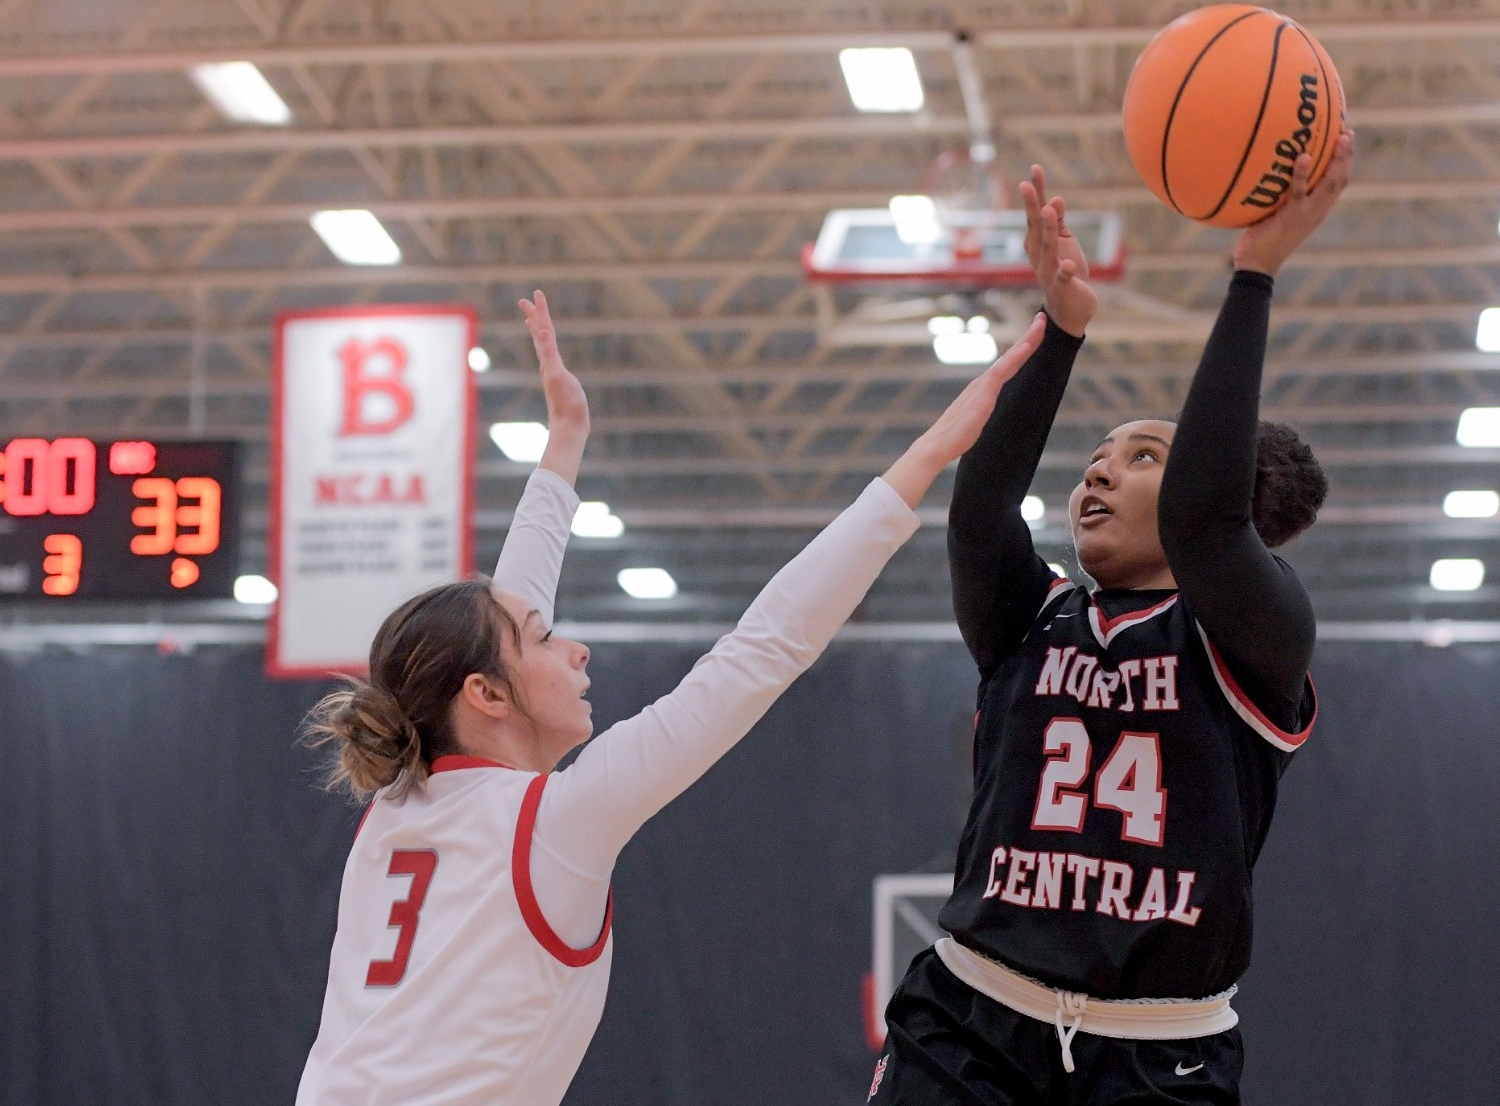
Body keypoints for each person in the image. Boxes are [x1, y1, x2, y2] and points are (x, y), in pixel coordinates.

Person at [295, 291, 1051, 1106]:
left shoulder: (399, 803)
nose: (576, 647)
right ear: (484, 695)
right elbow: (762, 649)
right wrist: (929, 454)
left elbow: (497, 620)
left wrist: (565, 446)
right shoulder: (555, 819)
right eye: (549, 641)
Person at [871, 132, 1353, 1106]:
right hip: (969, 1017)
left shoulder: (1253, 640)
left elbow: (1205, 522)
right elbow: (979, 511)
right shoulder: (1030, 616)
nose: (1096, 469)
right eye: (1097, 453)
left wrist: (1252, 275)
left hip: (1156, 1053)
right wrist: (1060, 328)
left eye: (1140, 455)